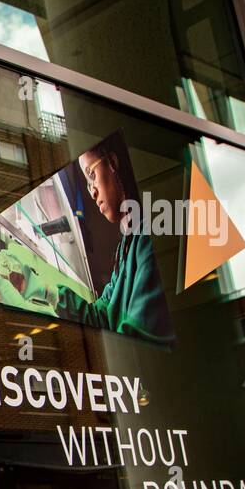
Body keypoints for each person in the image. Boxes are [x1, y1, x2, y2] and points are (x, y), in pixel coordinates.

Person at [54, 141, 175, 346]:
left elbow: (139, 340)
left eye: (91, 175)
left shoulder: (151, 235)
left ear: (113, 162)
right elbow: (102, 316)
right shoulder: (125, 248)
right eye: (87, 183)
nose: (92, 192)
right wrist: (49, 292)